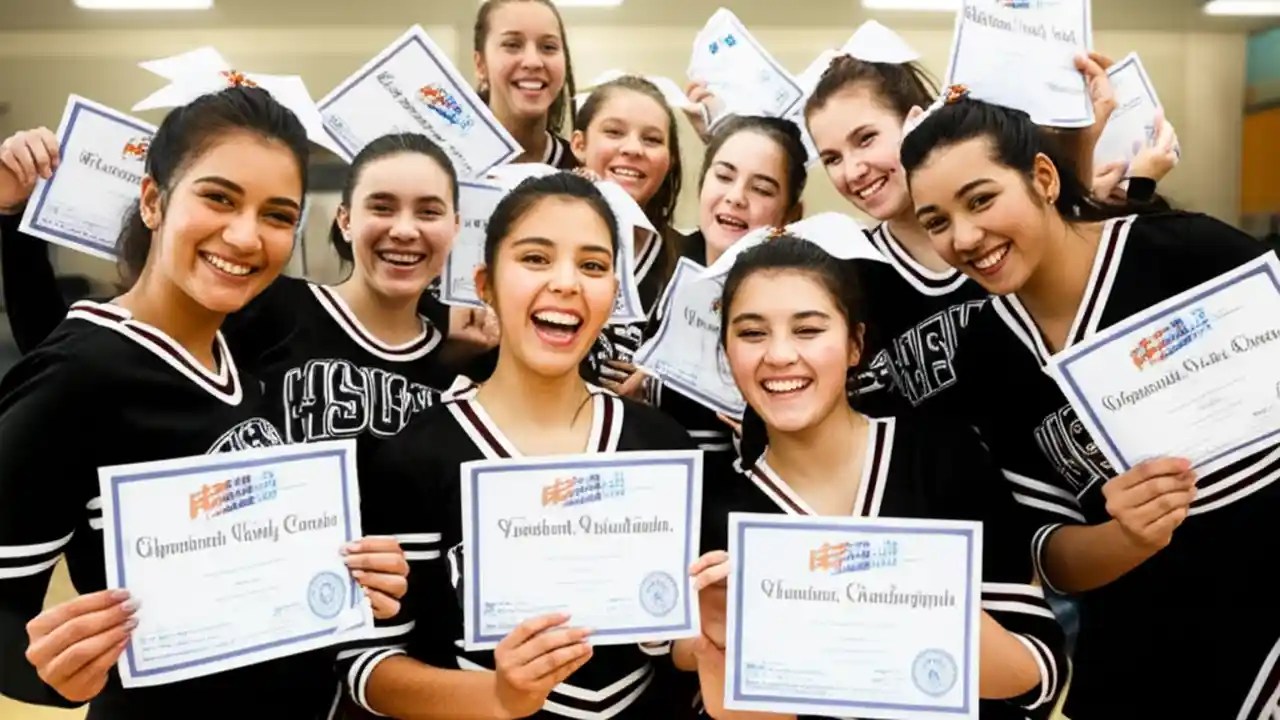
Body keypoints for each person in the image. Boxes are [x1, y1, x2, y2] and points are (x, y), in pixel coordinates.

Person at [0, 86, 407, 718]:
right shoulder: (77, 378)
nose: (246, 237)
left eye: (277, 215)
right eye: (218, 197)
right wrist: (50, 674)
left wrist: (356, 576)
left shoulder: (244, 354)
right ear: (154, 200)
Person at [901, 93, 1280, 719]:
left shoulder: (1185, 255)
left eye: (982, 199)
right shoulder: (987, 351)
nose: (966, 237)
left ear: (1044, 178)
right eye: (936, 221)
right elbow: (1051, 553)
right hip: (1149, 646)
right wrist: (1128, 536)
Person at [346, 173, 696, 719]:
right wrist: (499, 696)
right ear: (484, 284)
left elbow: (676, 644)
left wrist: (719, 628)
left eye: (593, 265)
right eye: (535, 258)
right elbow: (368, 666)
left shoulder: (661, 445)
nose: (566, 282)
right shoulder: (414, 454)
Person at [677, 235, 1067, 719]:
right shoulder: (718, 515)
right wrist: (723, 651)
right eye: (752, 333)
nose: (778, 355)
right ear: (727, 352)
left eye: (808, 330)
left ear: (855, 344)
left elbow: (1039, 674)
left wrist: (910, 600)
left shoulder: (940, 456)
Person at [647, 115, 807, 482]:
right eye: (723, 176)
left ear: (791, 214)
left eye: (762, 189)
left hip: (751, 497)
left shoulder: (802, 300)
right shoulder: (654, 272)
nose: (735, 197)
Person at [571, 75, 683, 397]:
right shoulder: (536, 243)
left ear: (670, 159)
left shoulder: (687, 263)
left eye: (651, 139)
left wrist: (659, 389)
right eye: (614, 132)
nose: (633, 149)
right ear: (579, 144)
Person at [473, 0, 579, 169]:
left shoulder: (582, 171)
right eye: (512, 45)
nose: (533, 62)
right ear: (481, 65)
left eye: (548, 47)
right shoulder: (442, 163)